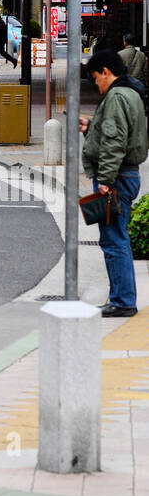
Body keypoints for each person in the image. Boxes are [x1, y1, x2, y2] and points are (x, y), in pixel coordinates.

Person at [80, 49, 148, 317]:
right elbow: (117, 131)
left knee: (114, 240)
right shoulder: (131, 94)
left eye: (97, 78)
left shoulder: (116, 97)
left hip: (117, 177)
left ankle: (122, 301)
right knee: (116, 237)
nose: (96, 84)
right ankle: (121, 298)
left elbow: (115, 141)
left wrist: (106, 180)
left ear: (106, 72)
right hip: (126, 174)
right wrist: (92, 126)